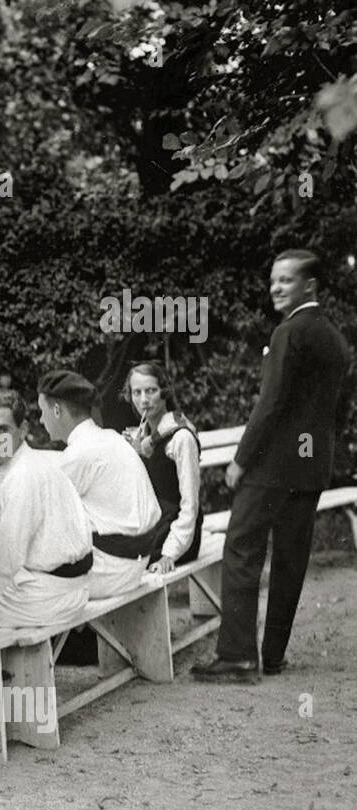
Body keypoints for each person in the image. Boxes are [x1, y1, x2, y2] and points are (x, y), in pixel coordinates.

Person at [196, 249, 353, 681]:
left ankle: (237, 658)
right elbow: (333, 410)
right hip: (310, 467)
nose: (276, 289)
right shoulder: (334, 338)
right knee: (290, 560)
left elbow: (271, 404)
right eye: (272, 282)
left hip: (273, 468)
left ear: (310, 286)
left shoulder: (290, 333)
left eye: (285, 280)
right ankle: (274, 655)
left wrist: (241, 460)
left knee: (242, 549)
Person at [0, 389, 93, 630]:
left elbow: (6, 559)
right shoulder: (24, 462)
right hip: (65, 584)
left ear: (23, 430)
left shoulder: (22, 474)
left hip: (51, 595)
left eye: (2, 430)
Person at [38, 369, 162, 599]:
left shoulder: (80, 453)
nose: (40, 420)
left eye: (42, 411)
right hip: (135, 563)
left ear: (56, 410)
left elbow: (41, 514)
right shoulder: (110, 437)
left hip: (110, 573)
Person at [121, 362, 202, 573]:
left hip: (179, 534)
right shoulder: (144, 435)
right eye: (136, 392)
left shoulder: (181, 438)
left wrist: (169, 553)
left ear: (164, 392)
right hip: (154, 523)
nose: (144, 400)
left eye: (151, 391)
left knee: (129, 567)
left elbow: (190, 506)